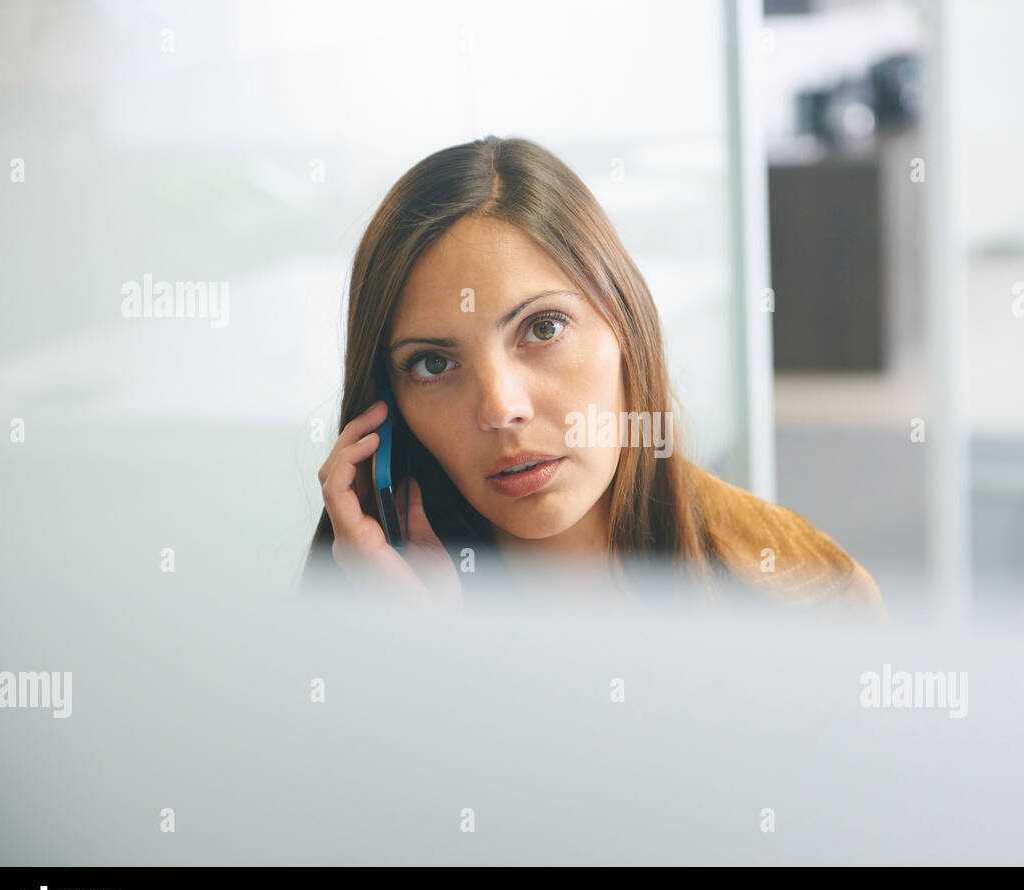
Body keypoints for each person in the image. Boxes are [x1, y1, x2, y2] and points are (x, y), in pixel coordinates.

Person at [303, 135, 883, 618]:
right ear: (389, 410)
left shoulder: (809, 592)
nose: (501, 408)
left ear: (625, 323)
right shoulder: (375, 614)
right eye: (434, 364)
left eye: (543, 328)